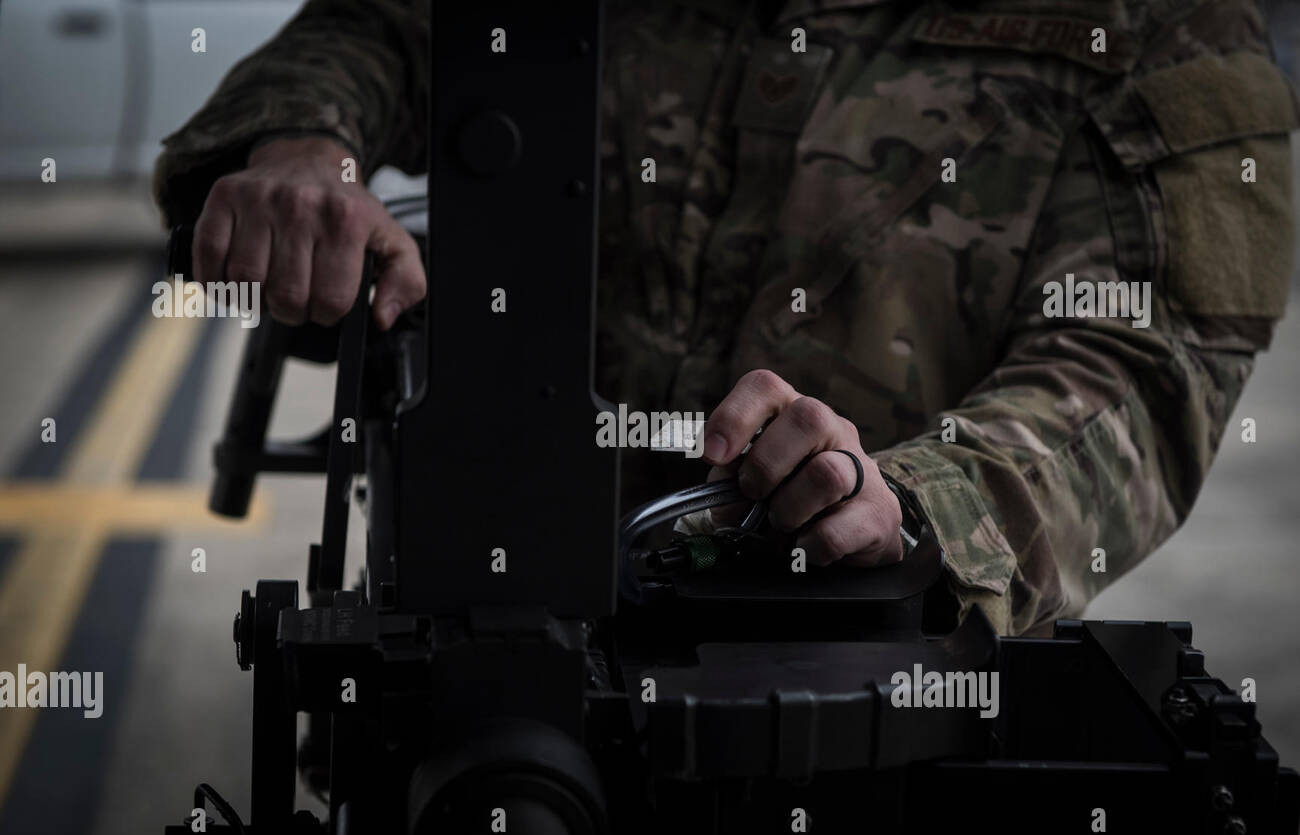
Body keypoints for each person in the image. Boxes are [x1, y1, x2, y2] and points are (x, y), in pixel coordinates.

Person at [154, 0, 1299, 636]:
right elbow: (389, 25)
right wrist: (309, 142)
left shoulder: (1161, 29)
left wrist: (905, 502)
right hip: (490, 629)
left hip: (848, 688)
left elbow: (1146, 365)